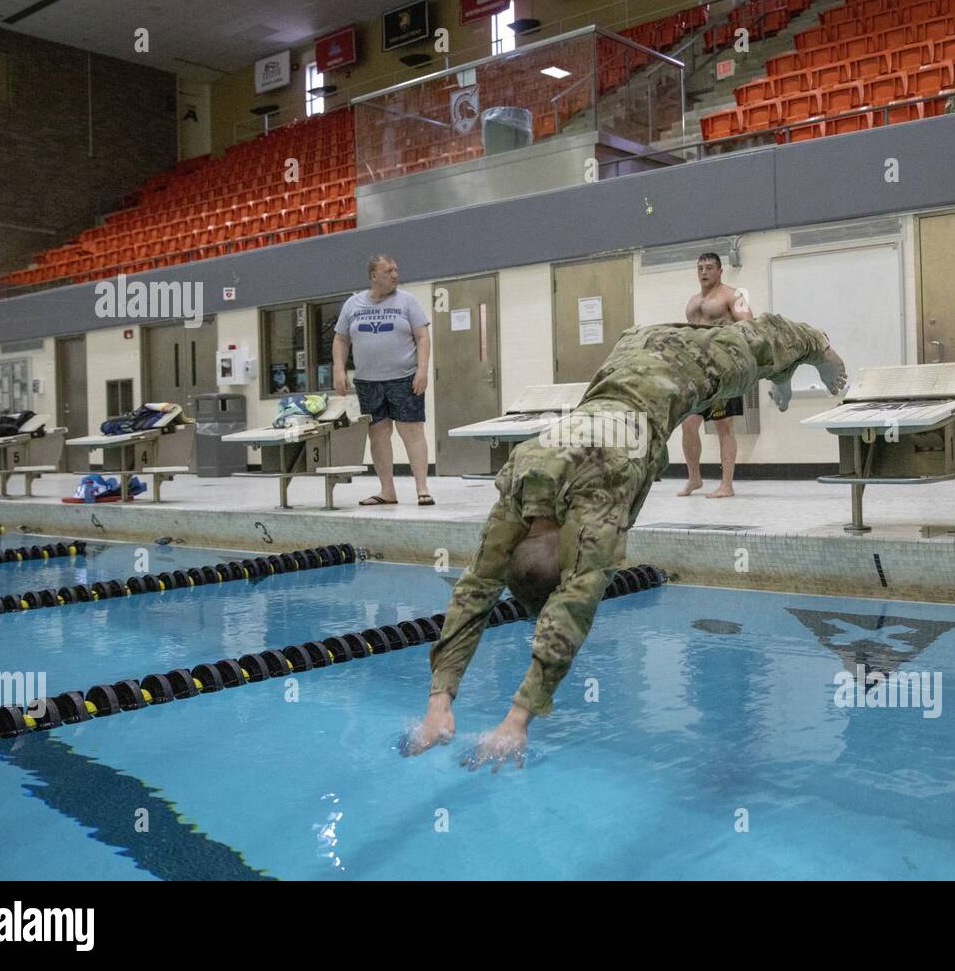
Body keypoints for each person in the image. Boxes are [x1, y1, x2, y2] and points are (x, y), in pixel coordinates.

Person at [402, 313, 849, 769]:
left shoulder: (600, 497)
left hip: (678, 365)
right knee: (745, 373)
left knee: (754, 345)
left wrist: (517, 719)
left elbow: (574, 605)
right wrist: (439, 699)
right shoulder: (519, 484)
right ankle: (783, 375)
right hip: (626, 351)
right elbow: (477, 588)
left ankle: (817, 348)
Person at [332, 255, 435, 506]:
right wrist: (339, 369)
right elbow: (341, 339)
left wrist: (422, 370)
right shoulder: (353, 304)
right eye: (388, 271)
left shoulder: (407, 301)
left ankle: (422, 488)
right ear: (373, 276)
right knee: (377, 434)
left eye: (396, 270)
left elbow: (422, 336)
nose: (395, 275)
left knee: (412, 432)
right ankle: (387, 490)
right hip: (368, 381)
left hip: (404, 379)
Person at [678, 252, 752, 498]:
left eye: (709, 267)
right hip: (698, 372)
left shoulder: (734, 295)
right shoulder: (692, 302)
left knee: (724, 426)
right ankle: (694, 479)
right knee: (688, 424)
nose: (704, 272)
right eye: (700, 267)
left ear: (720, 271)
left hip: (724, 371)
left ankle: (727, 485)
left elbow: (750, 325)